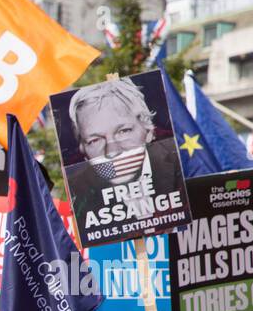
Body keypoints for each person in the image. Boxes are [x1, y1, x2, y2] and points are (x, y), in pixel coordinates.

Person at [63, 76, 183, 243]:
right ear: (83, 149)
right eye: (95, 140)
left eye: (124, 131)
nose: (112, 151)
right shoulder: (79, 194)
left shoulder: (182, 166)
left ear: (148, 131)